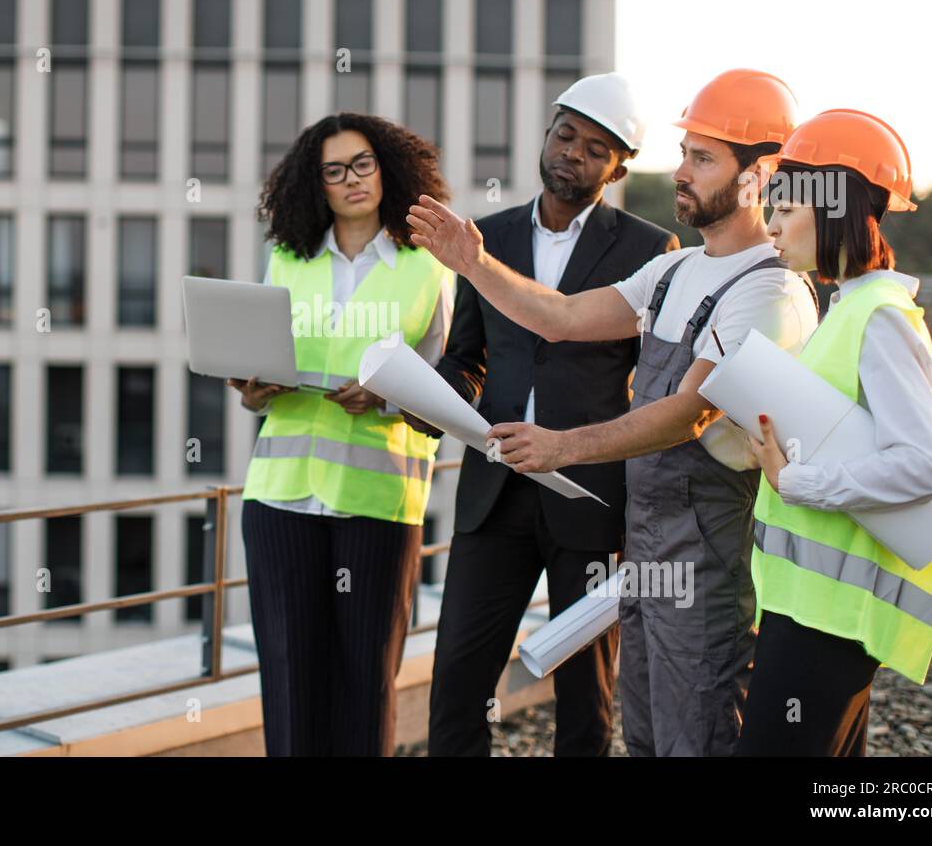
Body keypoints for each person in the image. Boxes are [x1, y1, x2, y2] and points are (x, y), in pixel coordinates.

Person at [408, 70, 820, 756]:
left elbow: (689, 413)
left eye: (702, 158)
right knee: (649, 734)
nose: (680, 170)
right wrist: (474, 263)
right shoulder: (676, 271)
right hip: (649, 544)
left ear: (760, 175)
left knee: (697, 730)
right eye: (685, 153)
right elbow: (564, 317)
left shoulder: (769, 289)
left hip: (704, 557)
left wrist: (562, 447)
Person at [417, 74, 678, 756]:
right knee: (457, 687)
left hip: (590, 497)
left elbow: (657, 387)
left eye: (595, 149)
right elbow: (467, 357)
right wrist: (420, 397)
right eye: (566, 136)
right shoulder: (487, 239)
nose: (573, 154)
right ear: (547, 134)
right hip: (493, 493)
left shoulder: (651, 252)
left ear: (617, 168)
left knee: (586, 699)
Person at [736, 110, 932, 755]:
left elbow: (921, 466)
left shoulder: (880, 316)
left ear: (835, 206)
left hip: (830, 621)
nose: (772, 225)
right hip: (810, 609)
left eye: (785, 209)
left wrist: (796, 480)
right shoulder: (848, 308)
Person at [230, 112, 454, 756]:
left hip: (379, 499)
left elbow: (452, 386)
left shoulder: (429, 266)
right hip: (279, 498)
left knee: (366, 684)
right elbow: (263, 359)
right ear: (315, 184)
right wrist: (253, 390)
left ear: (387, 168)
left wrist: (388, 397)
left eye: (362, 163)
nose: (351, 179)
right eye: (334, 171)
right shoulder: (286, 259)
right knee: (291, 680)